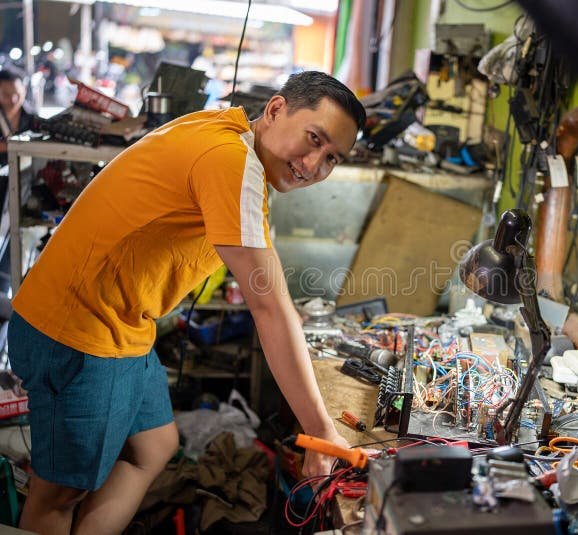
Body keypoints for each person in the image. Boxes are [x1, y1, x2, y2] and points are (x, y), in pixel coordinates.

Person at [8, 70, 366, 535]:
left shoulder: (232, 133)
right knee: (57, 495)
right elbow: (268, 308)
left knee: (153, 446)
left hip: (122, 325)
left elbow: (268, 286)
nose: (314, 163)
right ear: (276, 110)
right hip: (78, 330)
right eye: (314, 138)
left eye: (332, 158)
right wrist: (321, 431)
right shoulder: (231, 160)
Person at [0, 68, 36, 169]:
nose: (13, 100)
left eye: (17, 94)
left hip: (26, 172)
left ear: (24, 90)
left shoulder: (32, 117)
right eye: (7, 95)